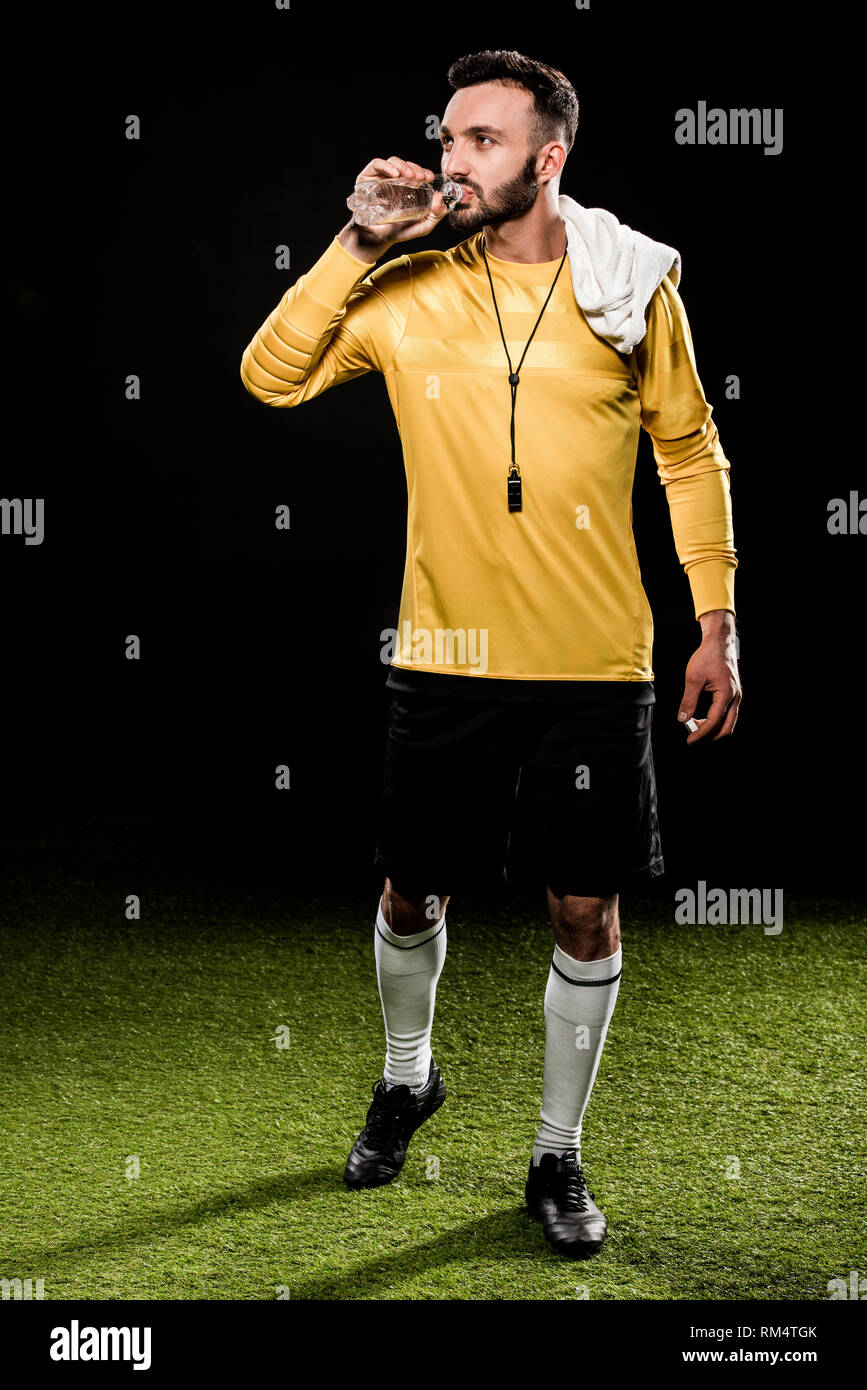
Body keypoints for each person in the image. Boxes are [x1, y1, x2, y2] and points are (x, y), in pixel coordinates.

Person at [240, 49, 741, 1259]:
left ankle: (556, 1156)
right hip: (444, 656)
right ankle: (407, 1077)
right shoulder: (405, 289)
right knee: (414, 890)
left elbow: (690, 452)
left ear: (547, 156)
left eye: (480, 140)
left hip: (594, 662)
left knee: (587, 913)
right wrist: (357, 245)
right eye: (447, 136)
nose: (451, 160)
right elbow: (269, 378)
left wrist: (716, 621)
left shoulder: (632, 287)